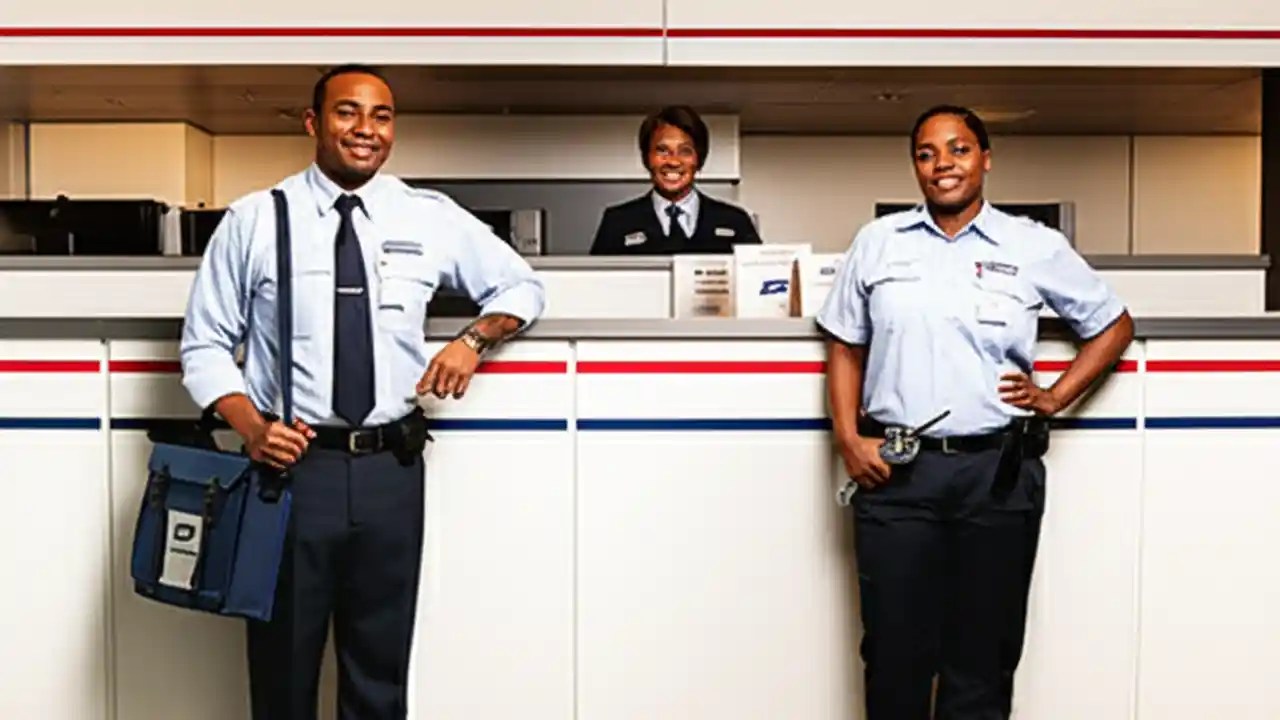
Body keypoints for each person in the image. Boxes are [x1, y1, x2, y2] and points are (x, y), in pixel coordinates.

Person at [178, 63, 546, 720]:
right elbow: (204, 346)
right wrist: (253, 429)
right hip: (293, 473)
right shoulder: (257, 219)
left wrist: (473, 339)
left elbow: (522, 287)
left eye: (381, 116)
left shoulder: (427, 216)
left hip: (390, 473)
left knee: (380, 675)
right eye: (348, 112)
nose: (366, 129)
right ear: (314, 123)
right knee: (283, 673)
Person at [816, 105, 1133, 720]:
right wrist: (849, 440)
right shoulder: (877, 242)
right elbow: (846, 346)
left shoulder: (1032, 245)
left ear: (985, 159)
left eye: (958, 149)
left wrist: (1056, 396)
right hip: (897, 477)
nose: (943, 165)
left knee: (983, 658)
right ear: (915, 166)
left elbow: (1113, 326)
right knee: (894, 656)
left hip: (997, 475)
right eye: (927, 153)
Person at [589, 105, 763, 255]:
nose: (673, 161)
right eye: (662, 150)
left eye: (685, 151)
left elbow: (759, 280)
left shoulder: (735, 221)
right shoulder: (617, 222)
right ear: (646, 158)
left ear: (699, 159)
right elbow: (595, 282)